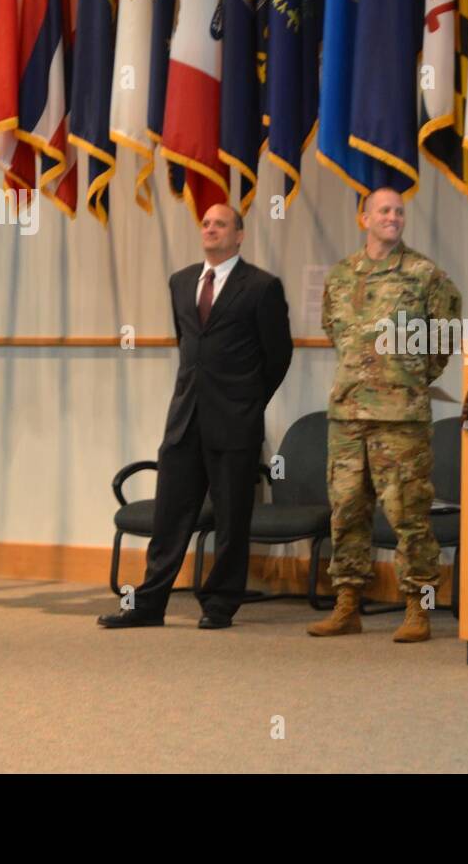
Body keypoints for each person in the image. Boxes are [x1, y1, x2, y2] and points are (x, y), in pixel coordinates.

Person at [98, 204, 293, 630]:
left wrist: (248, 401)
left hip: (235, 422)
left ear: (239, 236)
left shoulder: (262, 286)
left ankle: (220, 603)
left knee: (231, 518)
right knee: (170, 515)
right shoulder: (182, 282)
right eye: (206, 223)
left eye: (220, 224)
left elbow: (279, 355)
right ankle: (149, 604)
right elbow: (189, 342)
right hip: (185, 419)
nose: (210, 228)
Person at [307, 186, 462, 642]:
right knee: (347, 510)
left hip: (402, 416)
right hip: (347, 413)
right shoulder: (339, 276)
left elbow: (445, 339)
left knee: (408, 514)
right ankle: (348, 604)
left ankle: (418, 607)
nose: (393, 217)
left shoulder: (425, 274)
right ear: (364, 218)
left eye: (399, 211)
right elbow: (336, 331)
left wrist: (407, 376)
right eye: (384, 210)